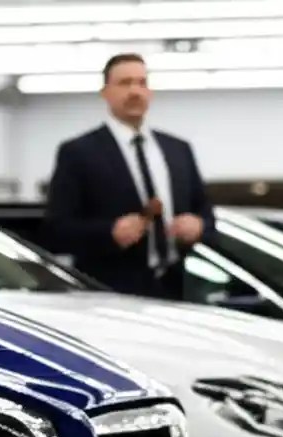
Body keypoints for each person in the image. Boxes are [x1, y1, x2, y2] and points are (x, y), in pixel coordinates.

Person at [42, 53, 214, 299]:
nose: (135, 91)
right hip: (109, 291)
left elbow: (206, 213)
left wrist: (199, 226)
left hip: (176, 288)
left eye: (142, 83)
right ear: (105, 93)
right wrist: (109, 232)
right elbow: (55, 231)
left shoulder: (178, 150)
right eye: (125, 83)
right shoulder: (78, 152)